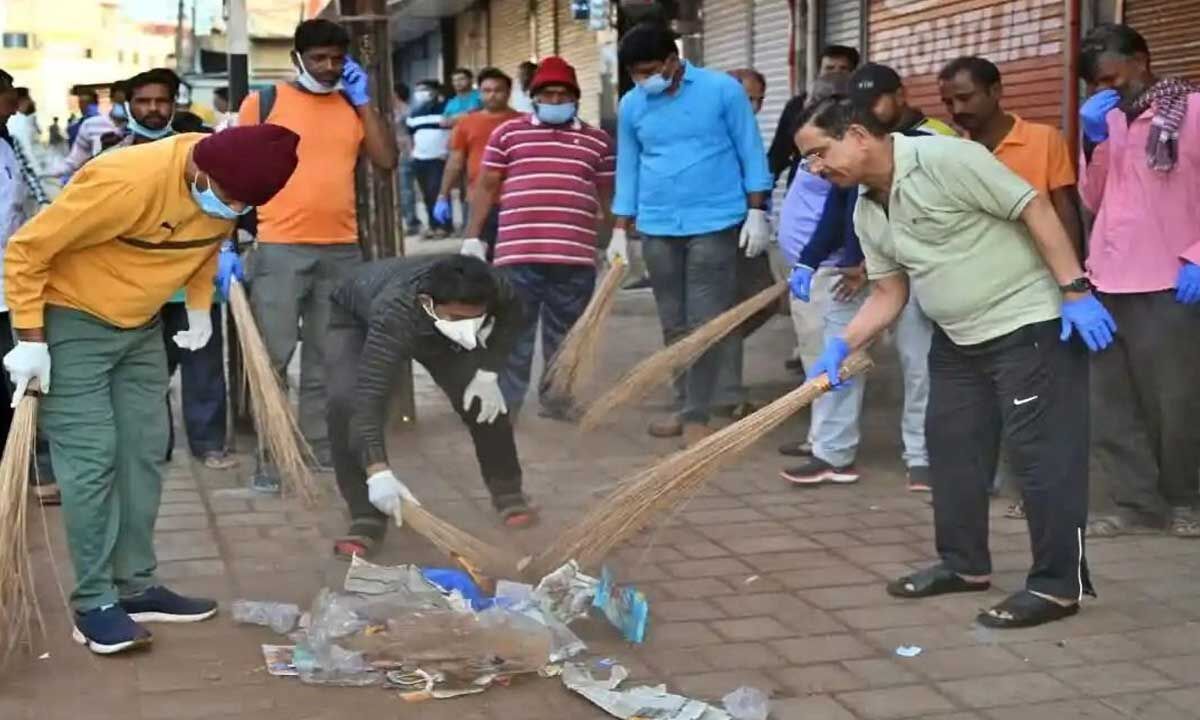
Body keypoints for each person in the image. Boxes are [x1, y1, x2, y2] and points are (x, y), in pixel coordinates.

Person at [796, 97, 1117, 629]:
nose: (815, 168)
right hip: (958, 340)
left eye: (819, 153)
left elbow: (1033, 206)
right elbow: (890, 290)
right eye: (809, 161)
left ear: (856, 134)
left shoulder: (946, 160)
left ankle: (1059, 586)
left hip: (1027, 327)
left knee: (1043, 461)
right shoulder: (867, 207)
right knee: (953, 453)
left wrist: (1075, 290)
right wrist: (843, 343)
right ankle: (964, 565)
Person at [3, 124, 300, 655]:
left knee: (145, 451)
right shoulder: (125, 182)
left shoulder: (230, 184)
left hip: (140, 327)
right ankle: (94, 602)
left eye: (242, 205)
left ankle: (136, 586)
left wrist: (198, 304)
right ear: (200, 169)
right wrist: (30, 337)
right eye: (225, 196)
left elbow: (206, 242)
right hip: (70, 323)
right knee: (93, 459)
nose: (229, 208)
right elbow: (25, 252)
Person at [237, 18, 397, 490]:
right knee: (273, 358)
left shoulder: (353, 106)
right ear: (297, 60)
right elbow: (231, 167)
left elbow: (387, 161)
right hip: (279, 247)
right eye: (318, 59)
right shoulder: (264, 103)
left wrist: (365, 103)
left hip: (341, 250)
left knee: (332, 360)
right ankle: (270, 457)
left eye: (336, 59)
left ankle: (319, 447)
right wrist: (232, 241)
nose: (328, 67)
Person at [781, 62, 952, 490]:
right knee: (837, 357)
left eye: (874, 99)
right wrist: (809, 260)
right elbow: (838, 211)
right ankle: (831, 453)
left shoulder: (932, 143)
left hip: (910, 273)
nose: (868, 110)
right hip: (856, 273)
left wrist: (867, 263)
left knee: (919, 364)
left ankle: (923, 456)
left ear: (899, 95)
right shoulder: (846, 155)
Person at [612, 22, 773, 447]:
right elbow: (627, 166)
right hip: (657, 224)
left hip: (716, 221)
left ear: (673, 59)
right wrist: (618, 227)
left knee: (706, 319)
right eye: (635, 73)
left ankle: (700, 412)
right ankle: (686, 404)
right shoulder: (632, 105)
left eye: (650, 69)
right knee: (673, 321)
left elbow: (750, 150)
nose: (644, 79)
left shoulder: (722, 91)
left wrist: (758, 211)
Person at [1074, 24, 1200, 539]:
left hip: (1169, 279)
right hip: (1107, 278)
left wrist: (1198, 257)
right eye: (1093, 84)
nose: (1105, 89)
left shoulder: (1190, 112)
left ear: (1142, 60)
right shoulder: (1109, 122)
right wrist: (1094, 140)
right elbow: (1093, 199)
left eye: (1111, 76)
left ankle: (1187, 500)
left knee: (1177, 402)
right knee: (1111, 404)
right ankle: (1135, 502)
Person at [326, 254, 532, 557]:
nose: (467, 329)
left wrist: (488, 371)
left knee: (481, 399)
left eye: (475, 320)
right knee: (345, 401)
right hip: (355, 317)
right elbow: (368, 397)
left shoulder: (497, 287)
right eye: (458, 320)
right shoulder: (394, 313)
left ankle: (508, 491)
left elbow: (512, 322)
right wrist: (378, 470)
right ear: (427, 303)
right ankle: (366, 513)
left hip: (431, 323)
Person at [461, 57, 615, 420]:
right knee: (515, 330)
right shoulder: (508, 134)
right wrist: (473, 236)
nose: (556, 100)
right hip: (518, 252)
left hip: (574, 254)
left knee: (566, 333)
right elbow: (487, 184)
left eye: (563, 94)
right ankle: (509, 404)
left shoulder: (597, 141)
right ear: (534, 97)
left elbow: (607, 193)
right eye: (548, 94)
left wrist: (612, 238)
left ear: (576, 98)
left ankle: (557, 398)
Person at [711, 67, 775, 420]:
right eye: (745, 97)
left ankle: (714, 360)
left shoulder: (748, 135)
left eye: (757, 99)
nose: (752, 105)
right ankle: (725, 389)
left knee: (762, 300)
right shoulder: (714, 136)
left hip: (750, 232)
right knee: (730, 308)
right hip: (721, 231)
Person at [434, 67, 522, 258]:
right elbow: (455, 162)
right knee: (478, 260)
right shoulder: (466, 123)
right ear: (480, 93)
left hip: (517, 201)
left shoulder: (524, 123)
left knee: (514, 258)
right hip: (477, 201)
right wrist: (443, 195)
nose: (492, 95)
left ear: (508, 93)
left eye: (498, 90)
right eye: (487, 91)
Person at [769, 45, 861, 187]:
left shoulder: (862, 106)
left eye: (843, 69)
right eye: (829, 69)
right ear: (819, 72)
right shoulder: (797, 106)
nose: (836, 74)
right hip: (805, 187)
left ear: (853, 73)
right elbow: (779, 152)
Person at [49, 82, 128, 177]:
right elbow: (75, 160)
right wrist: (50, 173)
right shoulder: (91, 124)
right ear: (112, 100)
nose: (123, 107)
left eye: (125, 103)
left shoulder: (140, 128)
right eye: (119, 103)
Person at [407, 79, 453, 238]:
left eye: (424, 89)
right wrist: (412, 153)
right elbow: (411, 135)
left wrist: (448, 152)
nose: (421, 93)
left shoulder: (446, 109)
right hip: (420, 158)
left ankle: (445, 225)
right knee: (426, 194)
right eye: (418, 90)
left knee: (439, 192)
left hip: (439, 157)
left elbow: (454, 132)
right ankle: (433, 226)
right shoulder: (414, 113)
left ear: (435, 91)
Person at [393, 82, 421, 235]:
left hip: (405, 152)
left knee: (405, 189)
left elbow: (411, 133)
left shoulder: (406, 110)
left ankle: (411, 221)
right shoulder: (389, 110)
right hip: (394, 151)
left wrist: (411, 152)